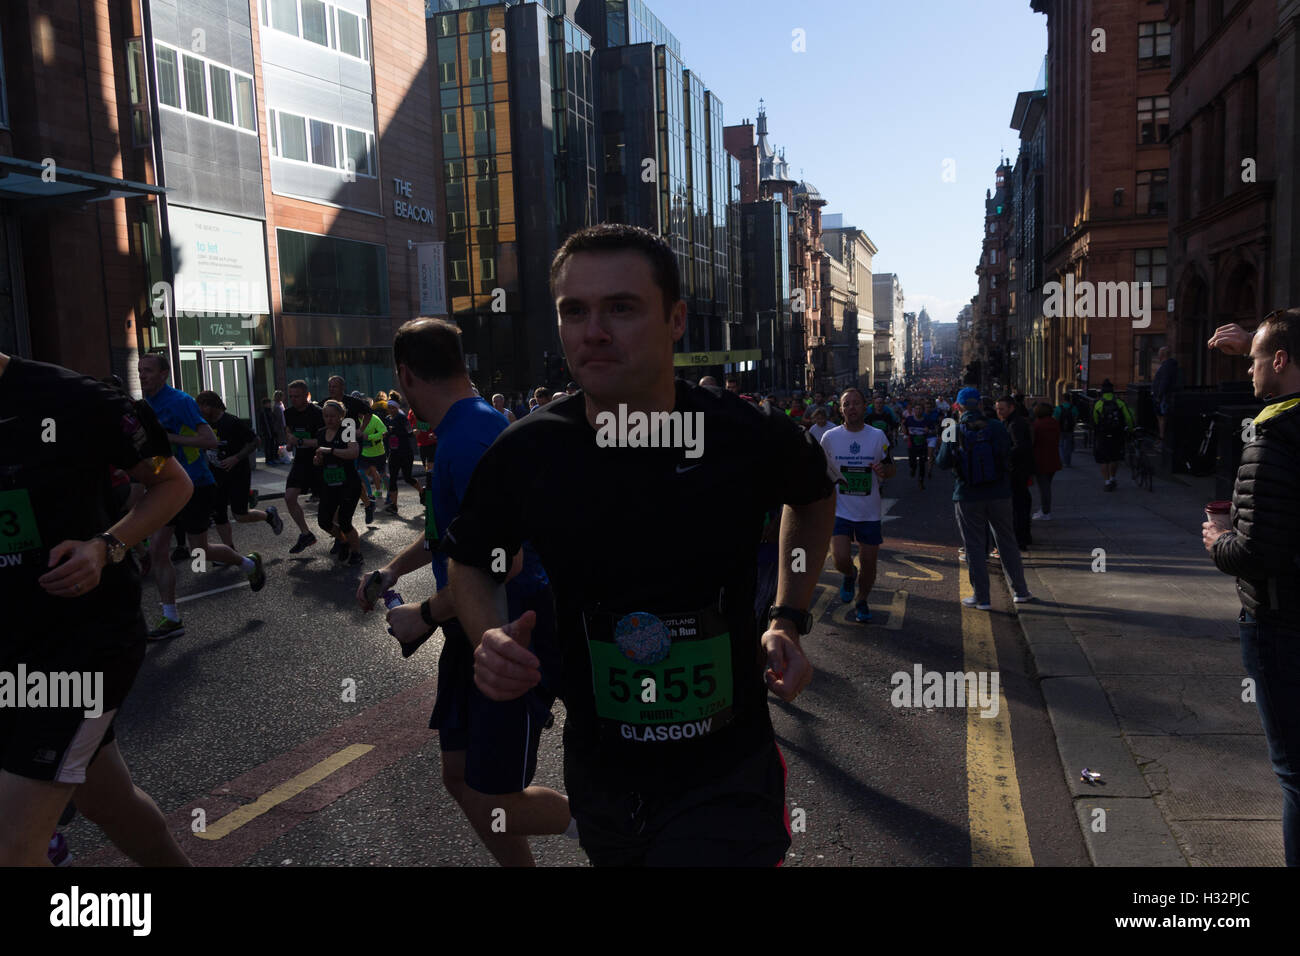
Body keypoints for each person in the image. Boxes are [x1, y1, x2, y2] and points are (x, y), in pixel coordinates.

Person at [445, 223, 836, 866]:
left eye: (621, 308)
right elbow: (472, 559)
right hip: (603, 773)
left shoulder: (743, 434)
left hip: (726, 772)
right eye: (575, 311)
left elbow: (815, 496)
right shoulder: (528, 451)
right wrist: (487, 633)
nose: (593, 330)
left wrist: (788, 617)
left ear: (676, 320)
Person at [0, 351, 196, 867]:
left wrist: (104, 546)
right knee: (108, 801)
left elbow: (171, 482)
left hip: (78, 641)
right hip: (9, 645)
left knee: (12, 845)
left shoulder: (74, 399)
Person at [1203, 311, 1300, 866]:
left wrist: (1219, 539)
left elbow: (1258, 554)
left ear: (1281, 362)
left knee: (1295, 773)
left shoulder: (1273, 437)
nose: (1250, 371)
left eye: (1257, 360)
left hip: (1283, 624)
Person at [138, 354, 265, 640]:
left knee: (201, 550)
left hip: (195, 484)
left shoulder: (181, 401)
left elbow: (209, 441)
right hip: (165, 485)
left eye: (148, 371)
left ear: (164, 374)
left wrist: (169, 439)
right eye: (139, 371)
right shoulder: (145, 406)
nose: (142, 375)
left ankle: (248, 563)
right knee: (159, 548)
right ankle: (171, 618)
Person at [935, 387, 1033, 611]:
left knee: (975, 547)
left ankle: (982, 598)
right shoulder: (997, 426)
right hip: (999, 493)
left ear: (958, 406)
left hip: (967, 495)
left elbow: (942, 462)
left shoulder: (953, 428)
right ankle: (1021, 591)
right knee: (1007, 542)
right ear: (979, 405)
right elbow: (1007, 452)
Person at [821, 387, 895, 623]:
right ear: (841, 410)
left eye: (855, 403)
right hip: (840, 509)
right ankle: (849, 574)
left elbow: (891, 467)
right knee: (840, 559)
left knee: (869, 564)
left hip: (869, 511)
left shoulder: (877, 437)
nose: (851, 407)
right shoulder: (829, 438)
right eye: (846, 404)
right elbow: (822, 471)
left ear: (865, 407)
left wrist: (885, 470)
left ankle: (862, 600)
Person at [196, 391, 284, 542]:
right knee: (219, 514)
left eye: (202, 406)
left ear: (212, 405)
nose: (200, 410)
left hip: (237, 473)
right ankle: (229, 551)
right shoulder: (204, 424)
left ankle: (269, 515)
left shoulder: (232, 422)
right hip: (215, 475)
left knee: (240, 515)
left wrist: (235, 458)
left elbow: (255, 441)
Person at [314, 400, 364, 566]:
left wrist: (331, 451)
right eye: (326, 416)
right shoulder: (321, 433)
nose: (329, 419)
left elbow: (354, 452)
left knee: (344, 521)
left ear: (341, 416)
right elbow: (319, 460)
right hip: (329, 483)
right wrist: (318, 459)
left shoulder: (347, 430)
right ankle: (343, 541)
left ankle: (356, 553)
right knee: (324, 521)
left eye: (333, 416)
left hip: (348, 483)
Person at [282, 380, 325, 553]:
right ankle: (306, 534)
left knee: (327, 502)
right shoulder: (288, 413)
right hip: (300, 461)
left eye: (297, 396)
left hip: (318, 461)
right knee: (289, 497)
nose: (293, 399)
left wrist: (300, 441)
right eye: (291, 396)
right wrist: (290, 443)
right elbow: (289, 431)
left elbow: (323, 441)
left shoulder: (318, 413)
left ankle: (341, 535)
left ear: (306, 395)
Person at [996, 394, 1034, 550]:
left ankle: (1020, 539)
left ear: (1011, 407)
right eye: (997, 409)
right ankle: (1024, 536)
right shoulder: (1011, 422)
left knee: (1018, 506)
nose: (999, 412)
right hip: (1018, 470)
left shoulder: (1015, 424)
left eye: (1002, 409)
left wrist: (1003, 454)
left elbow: (1020, 447)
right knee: (1021, 504)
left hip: (1017, 471)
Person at [1091, 379, 1135, 492]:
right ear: (1112, 391)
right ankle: (1112, 478)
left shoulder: (1098, 404)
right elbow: (1129, 418)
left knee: (1104, 460)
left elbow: (1095, 421)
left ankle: (1106, 482)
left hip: (1103, 434)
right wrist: (1130, 429)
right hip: (1117, 433)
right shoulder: (1120, 403)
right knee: (1114, 457)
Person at [383, 399, 421, 515]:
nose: (391, 410)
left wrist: (414, 432)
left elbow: (409, 433)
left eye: (393, 407)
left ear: (397, 408)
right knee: (393, 479)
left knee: (407, 478)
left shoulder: (402, 418)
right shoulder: (388, 419)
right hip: (393, 453)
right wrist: (386, 434)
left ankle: (422, 491)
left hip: (405, 453)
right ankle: (394, 506)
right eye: (389, 407)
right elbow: (387, 433)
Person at [359, 401, 389, 525]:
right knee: (361, 473)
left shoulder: (374, 418)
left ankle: (390, 495)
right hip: (365, 453)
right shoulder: (355, 420)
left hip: (378, 452)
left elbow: (384, 432)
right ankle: (370, 496)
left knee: (382, 474)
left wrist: (369, 437)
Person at [1030, 403, 1061, 521]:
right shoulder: (1054, 423)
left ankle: (1045, 511)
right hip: (1053, 457)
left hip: (1040, 458)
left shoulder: (1037, 425)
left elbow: (1033, 441)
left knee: (1044, 487)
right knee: (1047, 485)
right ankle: (1045, 509)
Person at [1151, 346, 1179, 446]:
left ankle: (1162, 440)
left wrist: (1159, 395)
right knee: (1163, 418)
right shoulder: (1170, 365)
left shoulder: (1166, 366)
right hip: (1165, 397)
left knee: (1162, 418)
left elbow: (1164, 382)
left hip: (1163, 398)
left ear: (1162, 355)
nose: (1158, 355)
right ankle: (1162, 439)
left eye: (1159, 353)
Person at [1053, 392, 1078, 468]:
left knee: (1060, 445)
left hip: (1060, 429)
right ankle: (1067, 462)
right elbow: (1075, 418)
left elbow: (1055, 419)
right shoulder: (1073, 408)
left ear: (1063, 399)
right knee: (1068, 445)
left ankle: (1061, 461)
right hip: (1070, 429)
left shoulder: (1058, 408)